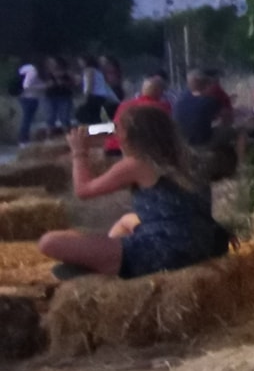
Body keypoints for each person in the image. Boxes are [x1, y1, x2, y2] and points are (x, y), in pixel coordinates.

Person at [37, 111, 230, 278]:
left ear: (134, 136)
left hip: (163, 252)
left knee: (49, 242)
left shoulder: (137, 163)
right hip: (203, 245)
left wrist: (79, 152)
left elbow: (83, 191)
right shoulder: (190, 158)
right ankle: (106, 258)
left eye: (118, 129)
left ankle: (106, 265)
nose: (115, 133)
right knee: (128, 219)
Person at [173, 69, 229, 147]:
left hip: (182, 142)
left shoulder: (179, 99)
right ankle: (241, 158)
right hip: (202, 142)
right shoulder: (210, 101)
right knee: (239, 131)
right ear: (207, 85)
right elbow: (227, 120)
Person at [14, 58, 45, 143]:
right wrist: (43, 86)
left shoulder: (23, 70)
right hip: (30, 97)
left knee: (27, 119)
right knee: (27, 119)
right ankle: (23, 138)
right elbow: (26, 85)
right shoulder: (33, 71)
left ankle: (24, 137)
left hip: (24, 97)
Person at [42, 58, 74, 132]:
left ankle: (67, 135)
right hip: (50, 96)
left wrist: (64, 83)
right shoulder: (47, 74)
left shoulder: (66, 73)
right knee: (50, 118)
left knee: (64, 117)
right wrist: (48, 84)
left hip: (64, 96)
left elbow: (72, 83)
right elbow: (42, 84)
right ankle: (49, 136)